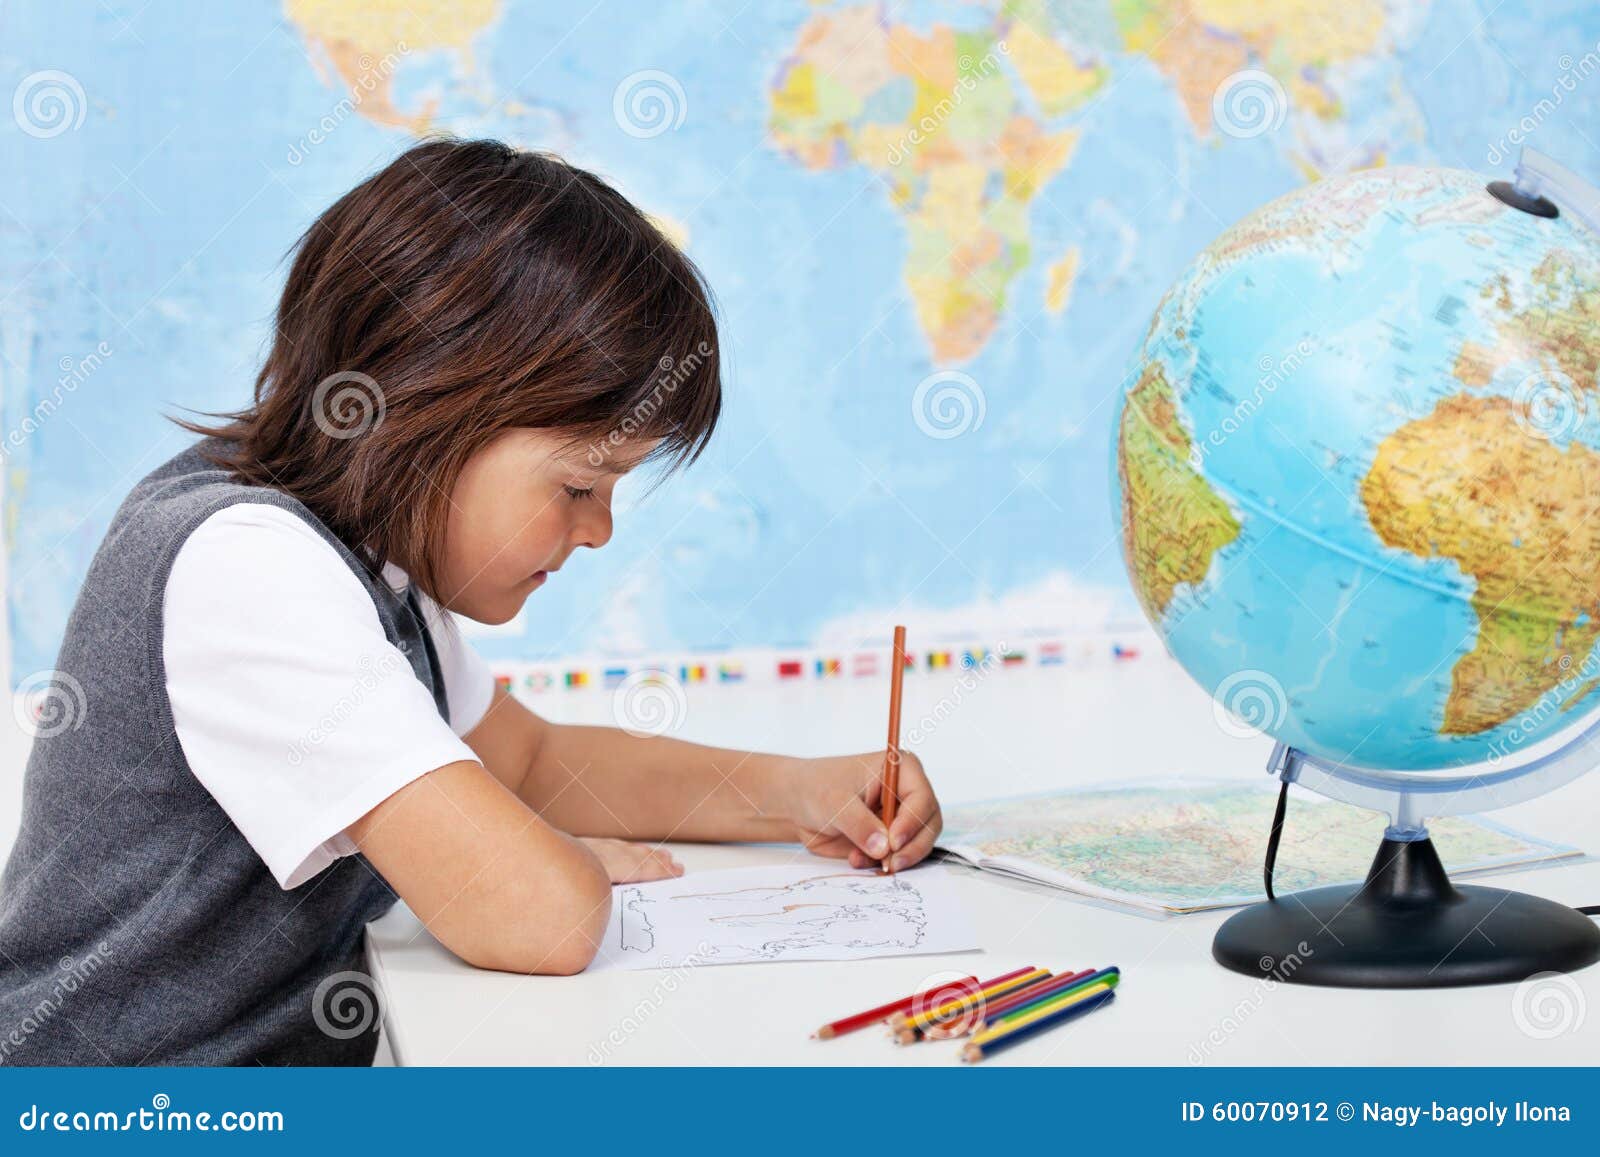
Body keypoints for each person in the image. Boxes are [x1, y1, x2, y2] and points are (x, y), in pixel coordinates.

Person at [0, 137, 943, 1066]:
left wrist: (800, 793)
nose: (600, 530)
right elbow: (541, 918)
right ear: (424, 416)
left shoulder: (369, 551)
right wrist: (547, 864)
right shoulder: (246, 565)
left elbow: (529, 760)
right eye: (580, 486)